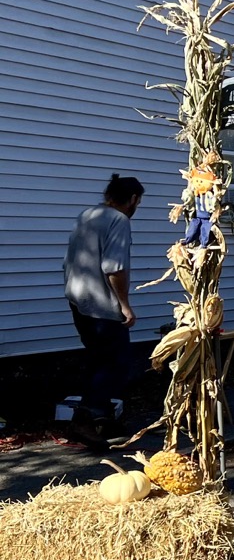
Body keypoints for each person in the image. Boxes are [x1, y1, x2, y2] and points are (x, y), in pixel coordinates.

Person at [63, 173, 145, 437]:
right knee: (116, 363)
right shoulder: (119, 221)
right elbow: (114, 268)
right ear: (132, 199)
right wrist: (125, 305)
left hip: (78, 299)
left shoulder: (87, 215)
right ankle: (88, 419)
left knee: (97, 359)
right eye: (138, 202)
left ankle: (97, 417)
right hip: (101, 304)